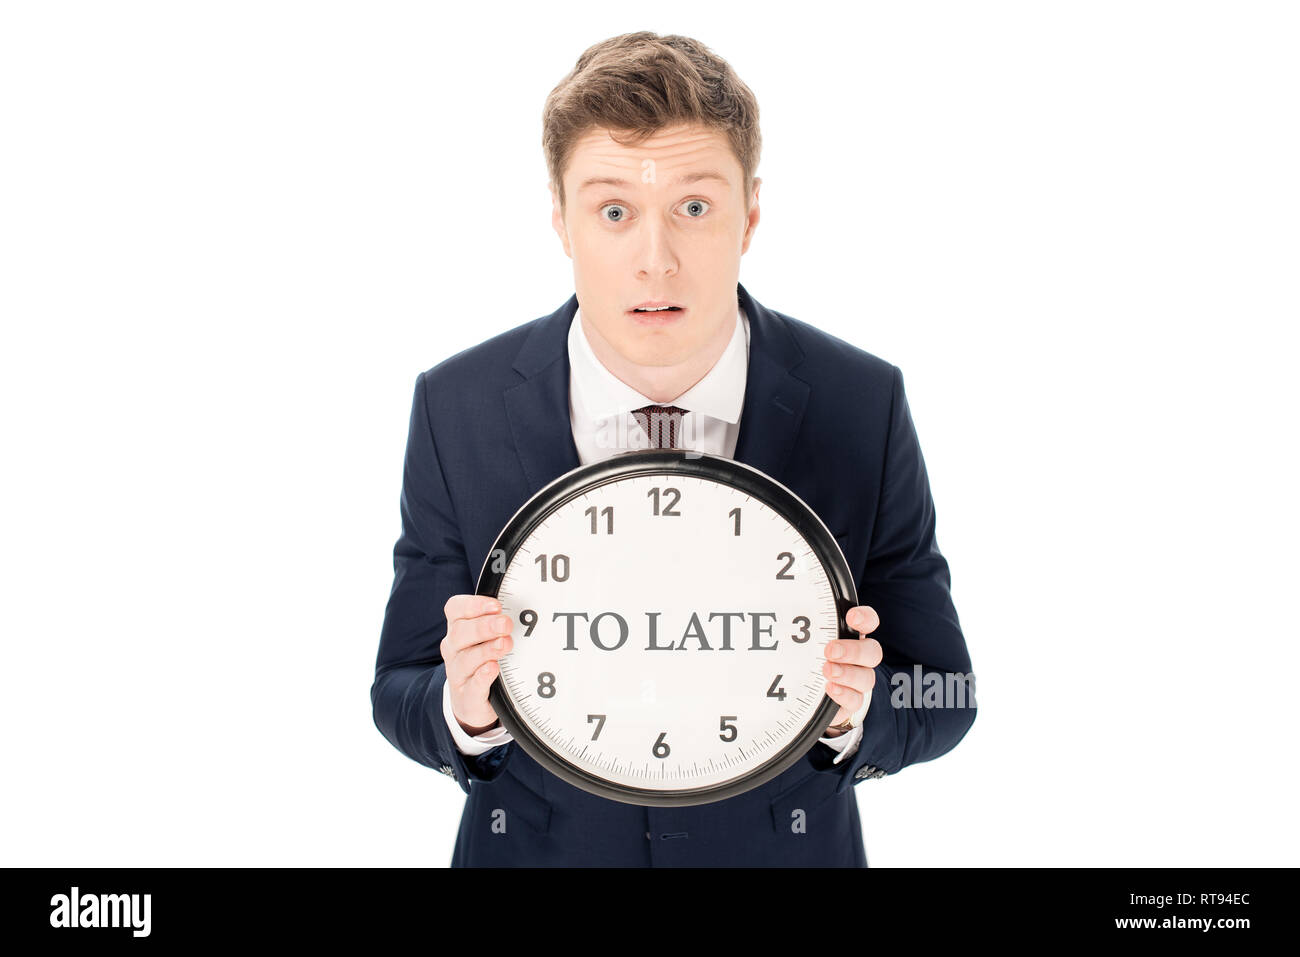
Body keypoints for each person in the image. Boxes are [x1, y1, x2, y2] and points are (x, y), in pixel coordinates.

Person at [371, 31, 976, 867]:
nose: (654, 261)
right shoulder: (456, 405)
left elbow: (945, 689)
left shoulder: (860, 402)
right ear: (561, 220)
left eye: (693, 208)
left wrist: (853, 712)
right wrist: (466, 710)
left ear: (749, 215)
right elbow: (398, 685)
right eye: (613, 211)